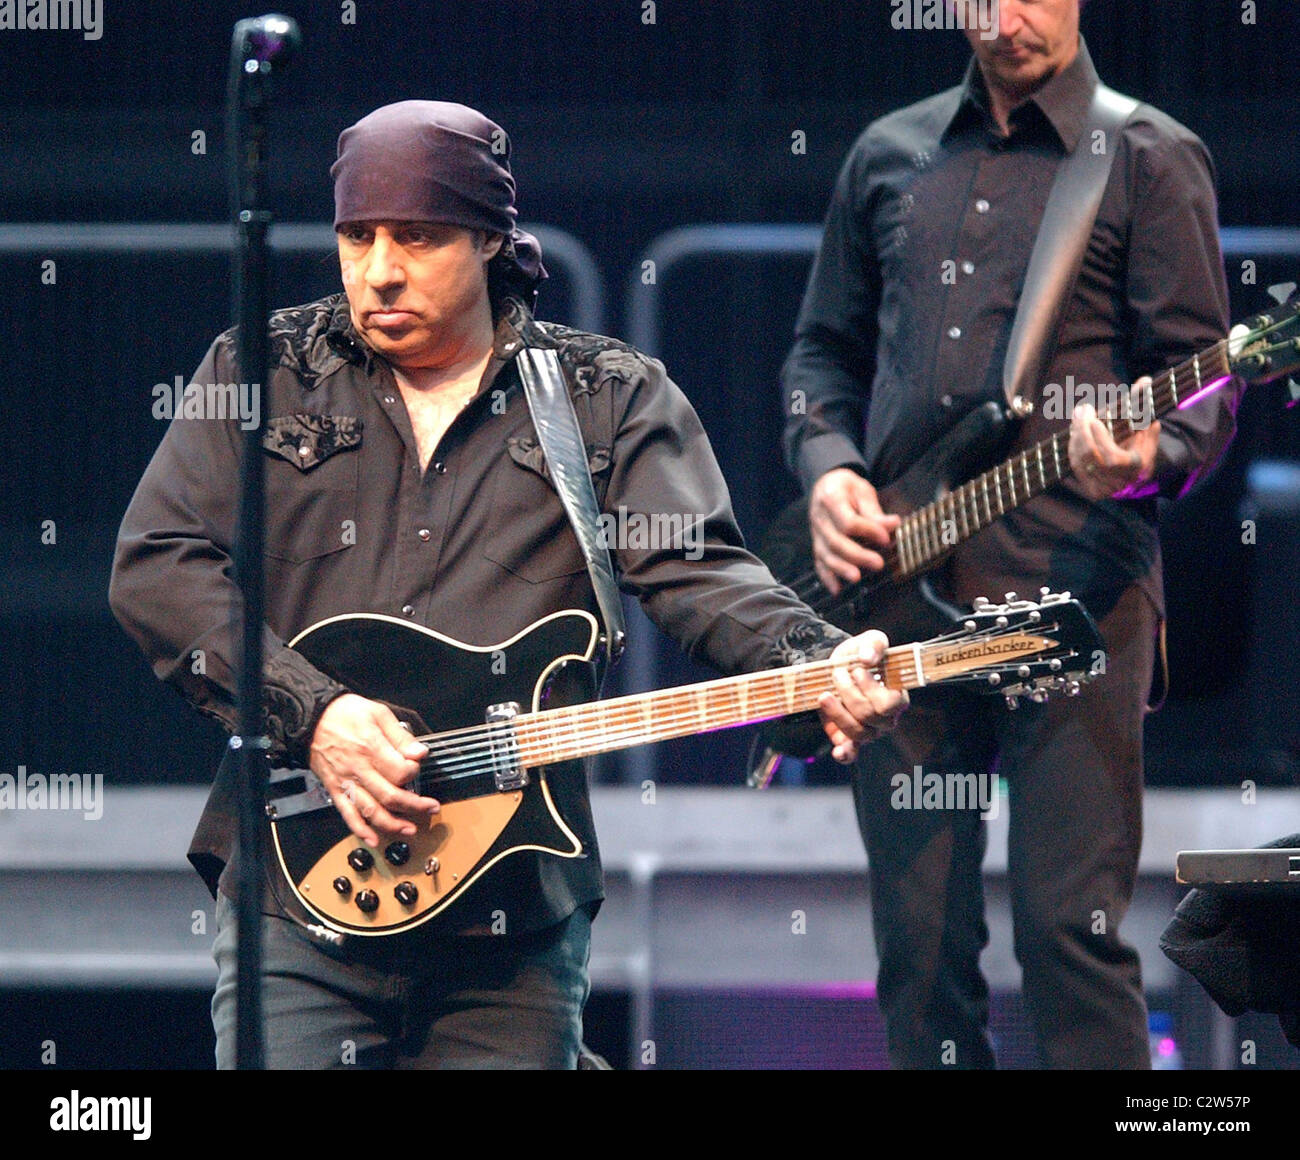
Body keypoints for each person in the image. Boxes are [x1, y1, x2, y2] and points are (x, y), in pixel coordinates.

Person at [108, 100, 907, 1070]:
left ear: (490, 238)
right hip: (295, 886)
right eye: (357, 237)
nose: (380, 268)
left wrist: (814, 656)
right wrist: (315, 712)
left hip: (511, 911)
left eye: (418, 236)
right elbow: (158, 561)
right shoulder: (265, 367)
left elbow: (695, 565)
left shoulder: (604, 394)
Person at [781, 1, 1238, 1068]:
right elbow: (818, 355)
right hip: (894, 598)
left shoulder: (1144, 153)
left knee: (1065, 933)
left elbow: (1207, 389)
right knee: (917, 948)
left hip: (1073, 589)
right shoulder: (887, 153)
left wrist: (1146, 458)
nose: (1008, 17)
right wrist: (828, 466)